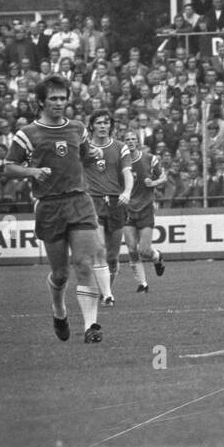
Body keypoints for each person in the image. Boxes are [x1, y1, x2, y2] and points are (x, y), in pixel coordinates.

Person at [3, 75, 104, 343]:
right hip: (49, 207)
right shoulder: (28, 134)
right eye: (53, 98)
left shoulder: (77, 128)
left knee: (84, 264)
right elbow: (9, 167)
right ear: (40, 102)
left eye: (63, 98)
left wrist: (93, 157)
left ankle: (91, 326)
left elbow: (84, 156)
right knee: (61, 274)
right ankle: (58, 309)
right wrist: (33, 171)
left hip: (79, 201)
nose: (59, 103)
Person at [82, 108, 133, 306]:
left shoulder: (120, 147)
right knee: (99, 248)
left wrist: (127, 192)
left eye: (106, 122)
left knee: (112, 256)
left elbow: (128, 172)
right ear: (92, 126)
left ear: (110, 126)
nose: (103, 126)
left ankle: (106, 291)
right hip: (93, 202)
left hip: (116, 202)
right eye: (99, 122)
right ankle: (107, 295)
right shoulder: (84, 148)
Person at [121, 127, 167, 292]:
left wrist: (153, 183)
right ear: (123, 143)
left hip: (146, 208)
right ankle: (143, 283)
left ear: (137, 142)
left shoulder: (149, 158)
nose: (130, 142)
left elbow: (163, 177)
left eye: (133, 139)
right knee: (132, 248)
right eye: (127, 140)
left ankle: (157, 257)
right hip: (127, 209)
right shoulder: (120, 163)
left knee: (144, 250)